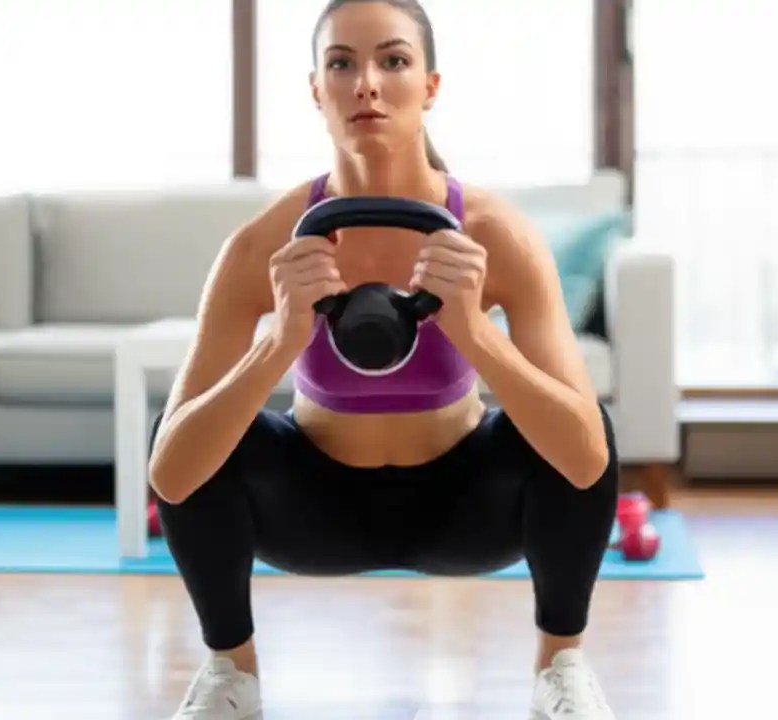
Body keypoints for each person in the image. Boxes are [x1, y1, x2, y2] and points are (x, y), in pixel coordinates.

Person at [147, 1, 620, 717]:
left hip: (466, 508)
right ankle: (231, 677)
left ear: (430, 85)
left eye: (393, 61)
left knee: (579, 418)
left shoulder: (497, 235)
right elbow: (173, 473)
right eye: (342, 63)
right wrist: (278, 344)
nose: (367, 83)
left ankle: (561, 671)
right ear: (317, 90)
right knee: (192, 426)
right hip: (316, 510)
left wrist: (474, 332)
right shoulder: (262, 245)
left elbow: (586, 459)